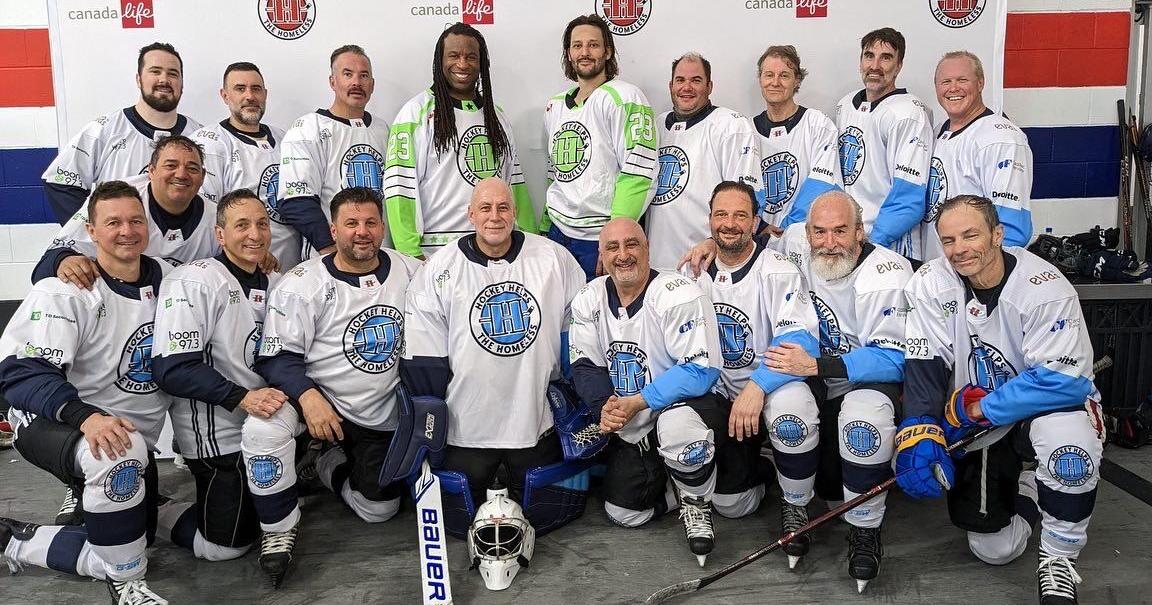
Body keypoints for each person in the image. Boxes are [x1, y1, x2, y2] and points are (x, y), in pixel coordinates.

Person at [897, 194, 1104, 605]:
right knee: (994, 548)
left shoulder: (1043, 288)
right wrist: (918, 426)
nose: (959, 249)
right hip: (980, 421)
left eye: (970, 235)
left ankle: (1059, 559)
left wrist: (980, 408)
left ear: (997, 234)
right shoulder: (930, 283)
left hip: (1048, 408)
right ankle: (1029, 489)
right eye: (949, 240)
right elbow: (923, 359)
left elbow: (1061, 382)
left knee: (1070, 451)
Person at [0, 181, 172, 604]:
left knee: (133, 535)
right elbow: (20, 375)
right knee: (117, 453)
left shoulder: (171, 278)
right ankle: (127, 585)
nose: (126, 230)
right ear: (90, 232)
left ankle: (16, 538)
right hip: (48, 422)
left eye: (135, 220)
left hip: (121, 428)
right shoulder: (63, 289)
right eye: (112, 222)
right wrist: (86, 418)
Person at [242, 187, 420, 587]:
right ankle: (277, 529)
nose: (362, 232)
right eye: (351, 223)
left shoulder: (411, 270)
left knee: (380, 510)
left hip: (382, 412)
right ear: (333, 229)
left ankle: (324, 464)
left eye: (371, 223)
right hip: (320, 402)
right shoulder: (302, 282)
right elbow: (276, 356)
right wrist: (309, 399)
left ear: (382, 227)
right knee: (263, 427)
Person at [570, 217, 763, 567]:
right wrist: (606, 406)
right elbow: (585, 364)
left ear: (648, 249)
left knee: (736, 504)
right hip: (636, 420)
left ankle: (706, 494)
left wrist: (638, 402)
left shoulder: (677, 294)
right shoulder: (589, 297)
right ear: (601, 255)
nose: (623, 254)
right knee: (623, 513)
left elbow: (701, 372)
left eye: (632, 244)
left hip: (693, 409)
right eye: (612, 247)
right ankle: (678, 489)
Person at [402, 177, 585, 534]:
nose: (495, 216)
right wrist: (432, 431)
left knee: (546, 516)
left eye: (503, 207)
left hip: (535, 422)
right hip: (466, 427)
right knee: (458, 523)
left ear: (515, 212)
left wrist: (571, 391)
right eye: (485, 208)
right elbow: (425, 356)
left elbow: (577, 329)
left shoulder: (553, 258)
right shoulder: (441, 268)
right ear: (470, 214)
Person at [768, 190, 912, 591]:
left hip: (863, 384)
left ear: (860, 232)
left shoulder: (888, 273)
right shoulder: (796, 240)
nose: (829, 242)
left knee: (863, 420)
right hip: (818, 382)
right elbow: (758, 244)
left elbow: (896, 359)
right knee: (786, 407)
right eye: (820, 231)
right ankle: (795, 506)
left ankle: (865, 530)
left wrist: (818, 365)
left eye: (840, 231)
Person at [691, 181, 822, 569]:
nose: (729, 223)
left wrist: (757, 387)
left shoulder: (777, 269)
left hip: (773, 383)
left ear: (755, 221)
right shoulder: (693, 269)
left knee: (793, 416)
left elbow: (799, 341)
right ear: (710, 220)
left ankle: (796, 504)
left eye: (740, 215)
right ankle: (767, 465)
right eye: (721, 214)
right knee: (733, 506)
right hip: (721, 396)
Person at [151, 189, 285, 564]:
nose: (255, 234)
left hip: (265, 425)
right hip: (218, 437)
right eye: (242, 225)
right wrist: (243, 397)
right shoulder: (193, 281)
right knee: (227, 547)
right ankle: (155, 507)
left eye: (262, 224)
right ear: (220, 235)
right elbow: (172, 368)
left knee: (270, 514)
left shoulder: (274, 281)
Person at [385, 23, 536, 259]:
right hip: (436, 254)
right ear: (439, 61)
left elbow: (514, 185)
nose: (462, 64)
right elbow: (399, 188)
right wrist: (409, 252)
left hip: (495, 249)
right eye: (454, 56)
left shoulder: (497, 116)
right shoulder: (416, 113)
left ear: (482, 63)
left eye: (471, 57)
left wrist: (529, 239)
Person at [544, 14, 657, 279]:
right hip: (559, 233)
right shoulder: (555, 106)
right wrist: (545, 224)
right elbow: (556, 172)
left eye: (593, 45)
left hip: (599, 237)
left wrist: (615, 238)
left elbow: (639, 171)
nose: (585, 52)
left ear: (607, 51)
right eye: (577, 45)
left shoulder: (625, 97)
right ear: (569, 53)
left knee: (602, 315)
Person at [41, 42, 202, 224]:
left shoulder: (200, 136)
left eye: (173, 73)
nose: (164, 79)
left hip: (186, 249)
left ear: (182, 84)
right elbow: (60, 181)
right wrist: (93, 234)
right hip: (122, 248)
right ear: (138, 79)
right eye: (155, 71)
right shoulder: (104, 130)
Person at [34, 135, 219, 288]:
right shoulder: (116, 200)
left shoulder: (217, 219)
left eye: (192, 168)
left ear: (203, 177)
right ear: (151, 171)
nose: (181, 174)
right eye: (170, 166)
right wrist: (63, 260)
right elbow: (44, 268)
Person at [644, 52, 762, 270]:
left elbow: (746, 199)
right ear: (671, 85)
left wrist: (714, 242)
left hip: (705, 263)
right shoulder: (656, 126)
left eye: (696, 80)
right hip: (656, 266)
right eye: (680, 80)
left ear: (709, 87)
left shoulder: (730, 125)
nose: (686, 87)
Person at [278, 45, 389, 259]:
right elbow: (295, 199)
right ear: (332, 81)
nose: (356, 82)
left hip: (380, 256)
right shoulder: (308, 128)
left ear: (372, 84)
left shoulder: (383, 129)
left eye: (363, 75)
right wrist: (330, 249)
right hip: (332, 258)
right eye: (347, 74)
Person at [920, 51, 1032, 261]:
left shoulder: (1002, 139)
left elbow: (1012, 230)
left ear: (980, 83)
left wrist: (982, 281)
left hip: (974, 276)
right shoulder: (936, 133)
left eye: (962, 80)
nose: (953, 88)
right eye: (945, 81)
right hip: (940, 273)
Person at [834, 27, 933, 260]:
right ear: (860, 61)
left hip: (888, 245)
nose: (875, 66)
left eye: (886, 58)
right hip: (847, 241)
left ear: (899, 66)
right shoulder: (845, 105)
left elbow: (908, 195)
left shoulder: (908, 112)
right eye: (869, 56)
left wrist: (873, 241)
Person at [192, 62, 300, 269]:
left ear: (265, 94)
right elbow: (208, 214)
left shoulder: (287, 139)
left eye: (256, 89)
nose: (250, 96)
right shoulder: (211, 143)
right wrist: (251, 252)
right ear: (225, 95)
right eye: (240, 89)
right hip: (244, 269)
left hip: (294, 268)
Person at [754, 45, 841, 234]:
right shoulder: (747, 131)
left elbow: (823, 186)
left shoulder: (818, 125)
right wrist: (760, 227)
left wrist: (786, 230)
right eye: (769, 75)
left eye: (784, 75)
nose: (775, 82)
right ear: (760, 79)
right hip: (759, 240)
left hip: (804, 238)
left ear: (797, 80)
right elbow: (744, 189)